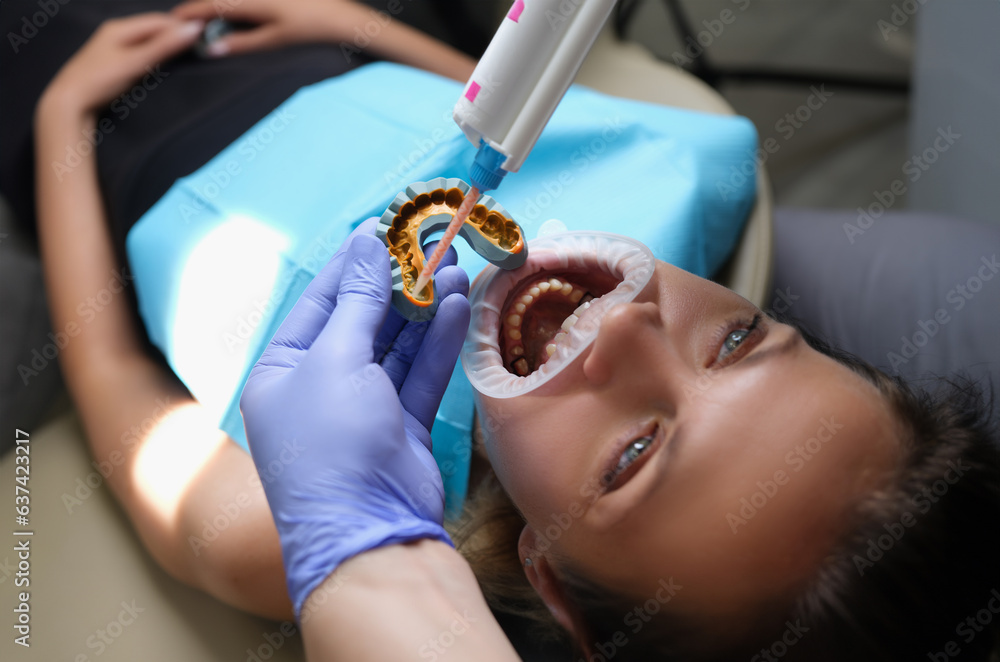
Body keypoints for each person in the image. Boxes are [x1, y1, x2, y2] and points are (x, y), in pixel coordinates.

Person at [13, 1, 1000, 660]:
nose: (624, 330)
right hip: (321, 42)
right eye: (736, 341)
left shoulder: (288, 522)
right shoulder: (696, 181)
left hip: (115, 137)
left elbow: (102, 366)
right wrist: (349, 21)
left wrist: (62, 122)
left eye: (636, 452)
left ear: (552, 578)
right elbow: (513, 124)